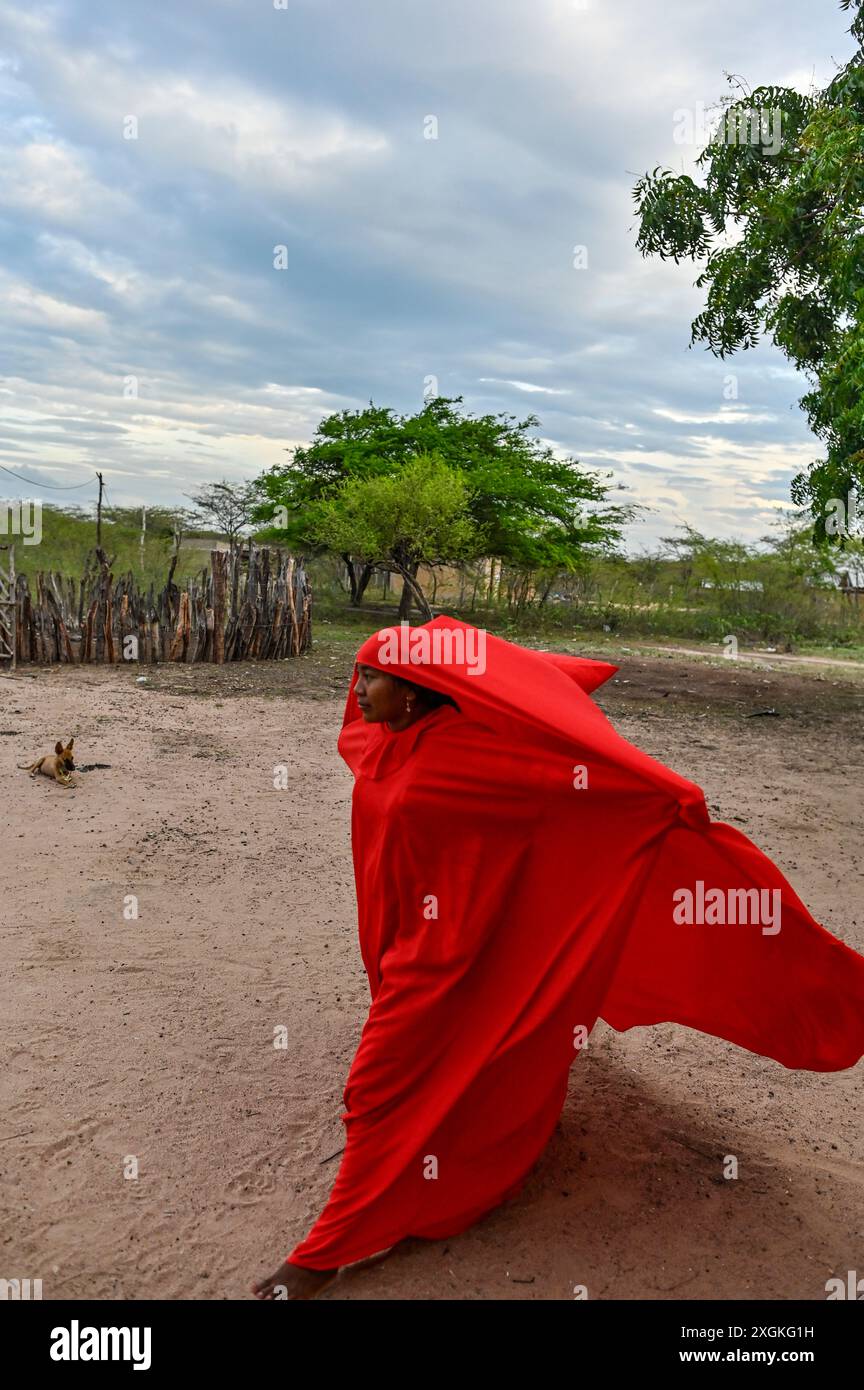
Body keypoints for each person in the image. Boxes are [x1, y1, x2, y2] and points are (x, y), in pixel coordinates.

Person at [253, 616, 864, 1301]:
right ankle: (456, 1161)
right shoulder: (389, 746)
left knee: (376, 1090)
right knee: (440, 1073)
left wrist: (665, 799)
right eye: (359, 673)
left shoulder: (467, 754)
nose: (357, 690)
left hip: (451, 959)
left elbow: (580, 784)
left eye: (372, 676)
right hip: (402, 944)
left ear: (417, 691)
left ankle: (321, 1256)